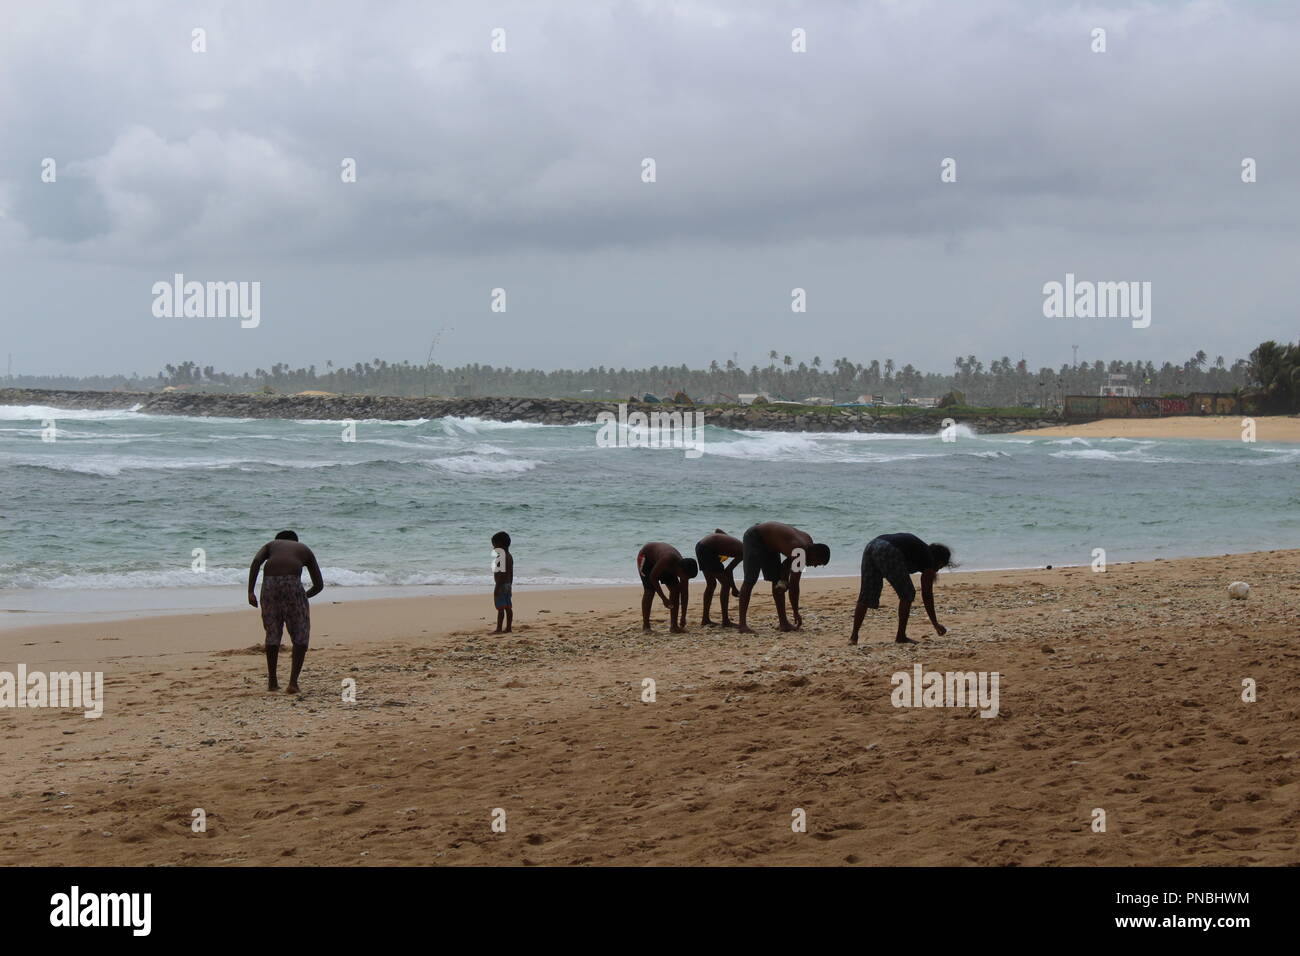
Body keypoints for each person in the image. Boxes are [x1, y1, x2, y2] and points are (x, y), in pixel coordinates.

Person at [248, 530, 324, 693]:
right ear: (295, 541)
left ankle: (272, 682)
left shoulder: (270, 545)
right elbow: (319, 585)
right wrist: (303, 597)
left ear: (278, 540)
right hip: (292, 584)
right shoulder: (304, 548)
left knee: (272, 633)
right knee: (300, 634)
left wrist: (250, 592)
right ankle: (293, 683)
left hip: (269, 586)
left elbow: (255, 562)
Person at [849, 533, 953, 645]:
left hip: (872, 546)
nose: (937, 571)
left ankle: (853, 637)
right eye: (940, 567)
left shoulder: (921, 551)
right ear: (938, 560)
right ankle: (901, 636)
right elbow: (927, 594)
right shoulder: (928, 559)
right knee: (908, 594)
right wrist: (935, 623)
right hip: (889, 549)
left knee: (866, 594)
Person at [735, 522, 830, 634]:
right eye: (817, 563)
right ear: (814, 554)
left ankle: (783, 623)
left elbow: (787, 563)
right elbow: (794, 586)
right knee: (750, 580)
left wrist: (783, 580)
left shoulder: (808, 542)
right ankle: (742, 625)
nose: (814, 566)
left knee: (777, 581)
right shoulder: (800, 551)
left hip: (771, 544)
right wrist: (795, 611)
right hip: (755, 537)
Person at [636, 542, 698, 633]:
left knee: (675, 590)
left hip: (662, 563)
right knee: (649, 591)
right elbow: (653, 578)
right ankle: (646, 626)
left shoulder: (684, 568)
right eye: (684, 577)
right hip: (646, 558)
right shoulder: (667, 559)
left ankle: (674, 626)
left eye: (687, 578)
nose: (685, 579)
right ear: (679, 569)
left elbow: (684, 593)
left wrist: (683, 616)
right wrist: (664, 598)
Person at [694, 529, 743, 627]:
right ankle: (725, 621)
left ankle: (705, 619)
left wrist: (721, 540)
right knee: (725, 584)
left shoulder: (738, 543)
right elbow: (728, 571)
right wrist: (733, 588)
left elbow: (718, 530)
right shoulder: (744, 552)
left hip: (700, 545)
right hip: (707, 550)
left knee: (711, 584)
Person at [492, 531, 514, 633]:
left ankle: (499, 628)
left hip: (500, 585)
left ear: (500, 544)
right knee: (508, 607)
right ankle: (508, 627)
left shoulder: (501, 557)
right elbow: (510, 573)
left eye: (495, 545)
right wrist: (510, 584)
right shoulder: (509, 556)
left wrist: (497, 587)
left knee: (500, 607)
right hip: (508, 584)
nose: (494, 548)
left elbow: (501, 574)